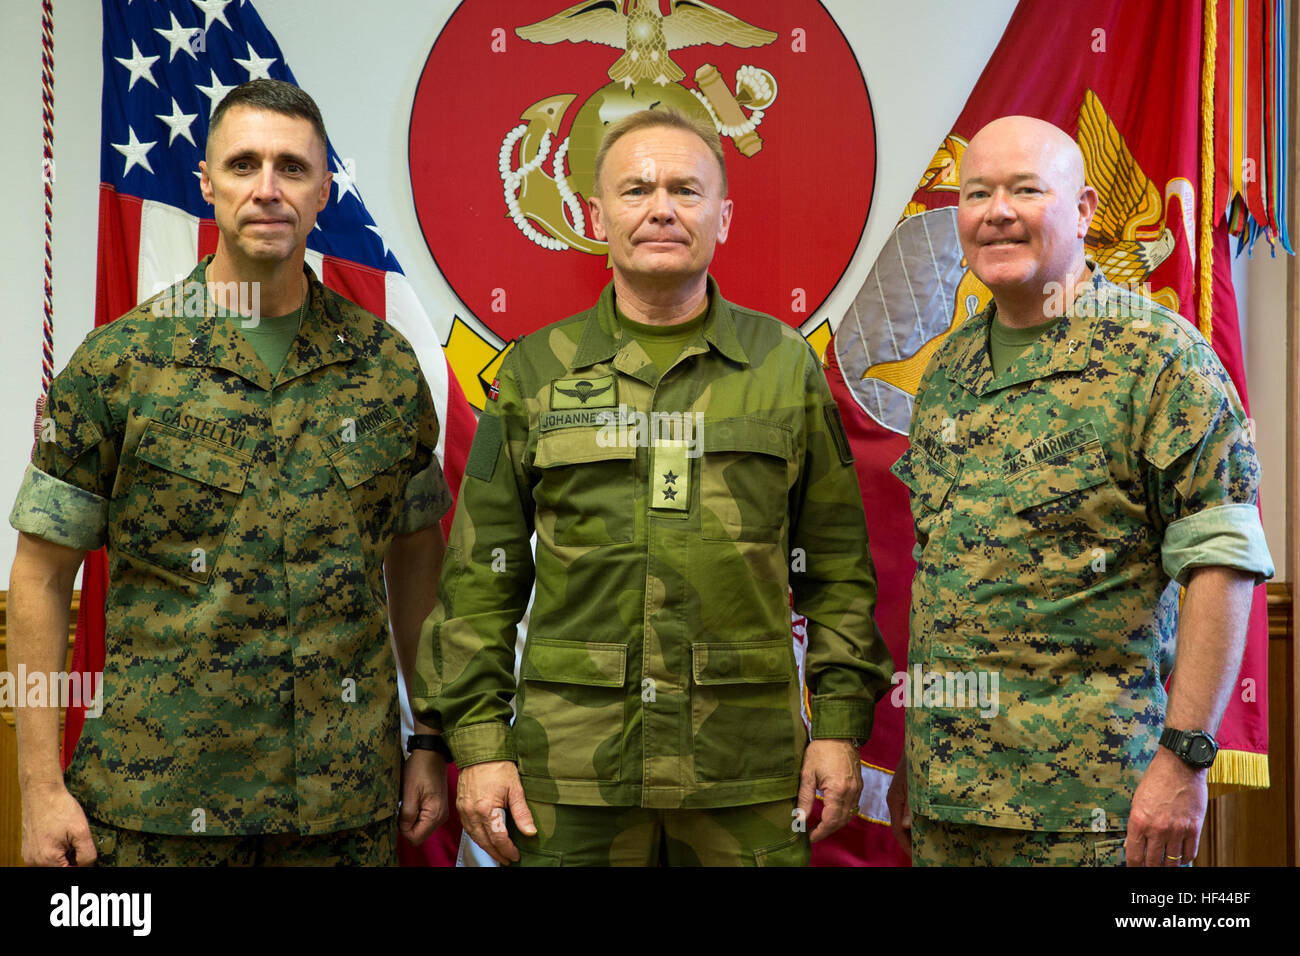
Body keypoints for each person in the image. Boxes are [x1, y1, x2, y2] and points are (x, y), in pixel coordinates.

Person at [413, 109, 892, 866]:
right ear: (596, 217)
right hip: (571, 779)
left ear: (723, 216)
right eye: (636, 190)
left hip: (746, 774)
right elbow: (480, 580)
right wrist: (477, 744)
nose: (661, 208)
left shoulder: (783, 365)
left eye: (685, 189)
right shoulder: (539, 370)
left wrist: (836, 727)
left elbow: (836, 571)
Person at [9, 79, 451, 866]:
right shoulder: (120, 362)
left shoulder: (385, 369)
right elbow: (41, 578)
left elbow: (417, 561)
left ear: (324, 190)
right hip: (158, 813)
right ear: (207, 184)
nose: (268, 189)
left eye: (292, 167)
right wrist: (40, 789)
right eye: (244, 164)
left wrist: (429, 740)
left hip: (343, 810)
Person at [886, 115, 1273, 867]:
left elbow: (1222, 563)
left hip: (1095, 813)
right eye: (977, 193)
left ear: (1087, 209)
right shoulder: (947, 373)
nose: (997, 211)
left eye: (1026, 189)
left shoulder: (1160, 360)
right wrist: (919, 760)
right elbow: (949, 579)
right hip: (948, 807)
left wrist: (1185, 758)